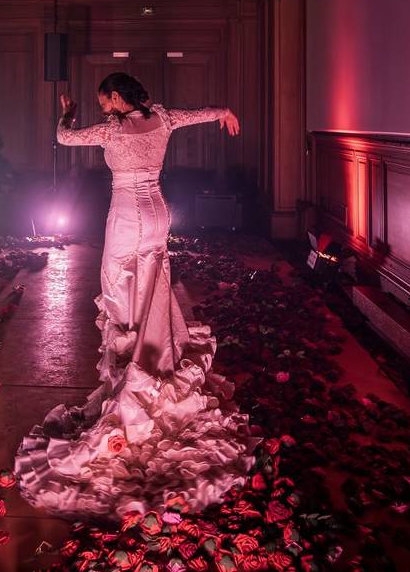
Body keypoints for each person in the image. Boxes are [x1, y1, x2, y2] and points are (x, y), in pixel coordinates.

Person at [13, 72, 255, 519]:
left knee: (117, 288)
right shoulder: (162, 117)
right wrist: (223, 111)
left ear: (117, 98)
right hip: (159, 212)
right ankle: (151, 356)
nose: (102, 106)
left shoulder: (111, 128)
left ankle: (132, 366)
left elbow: (65, 139)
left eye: (103, 100)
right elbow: (198, 113)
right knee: (152, 286)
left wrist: (66, 114)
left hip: (126, 214)